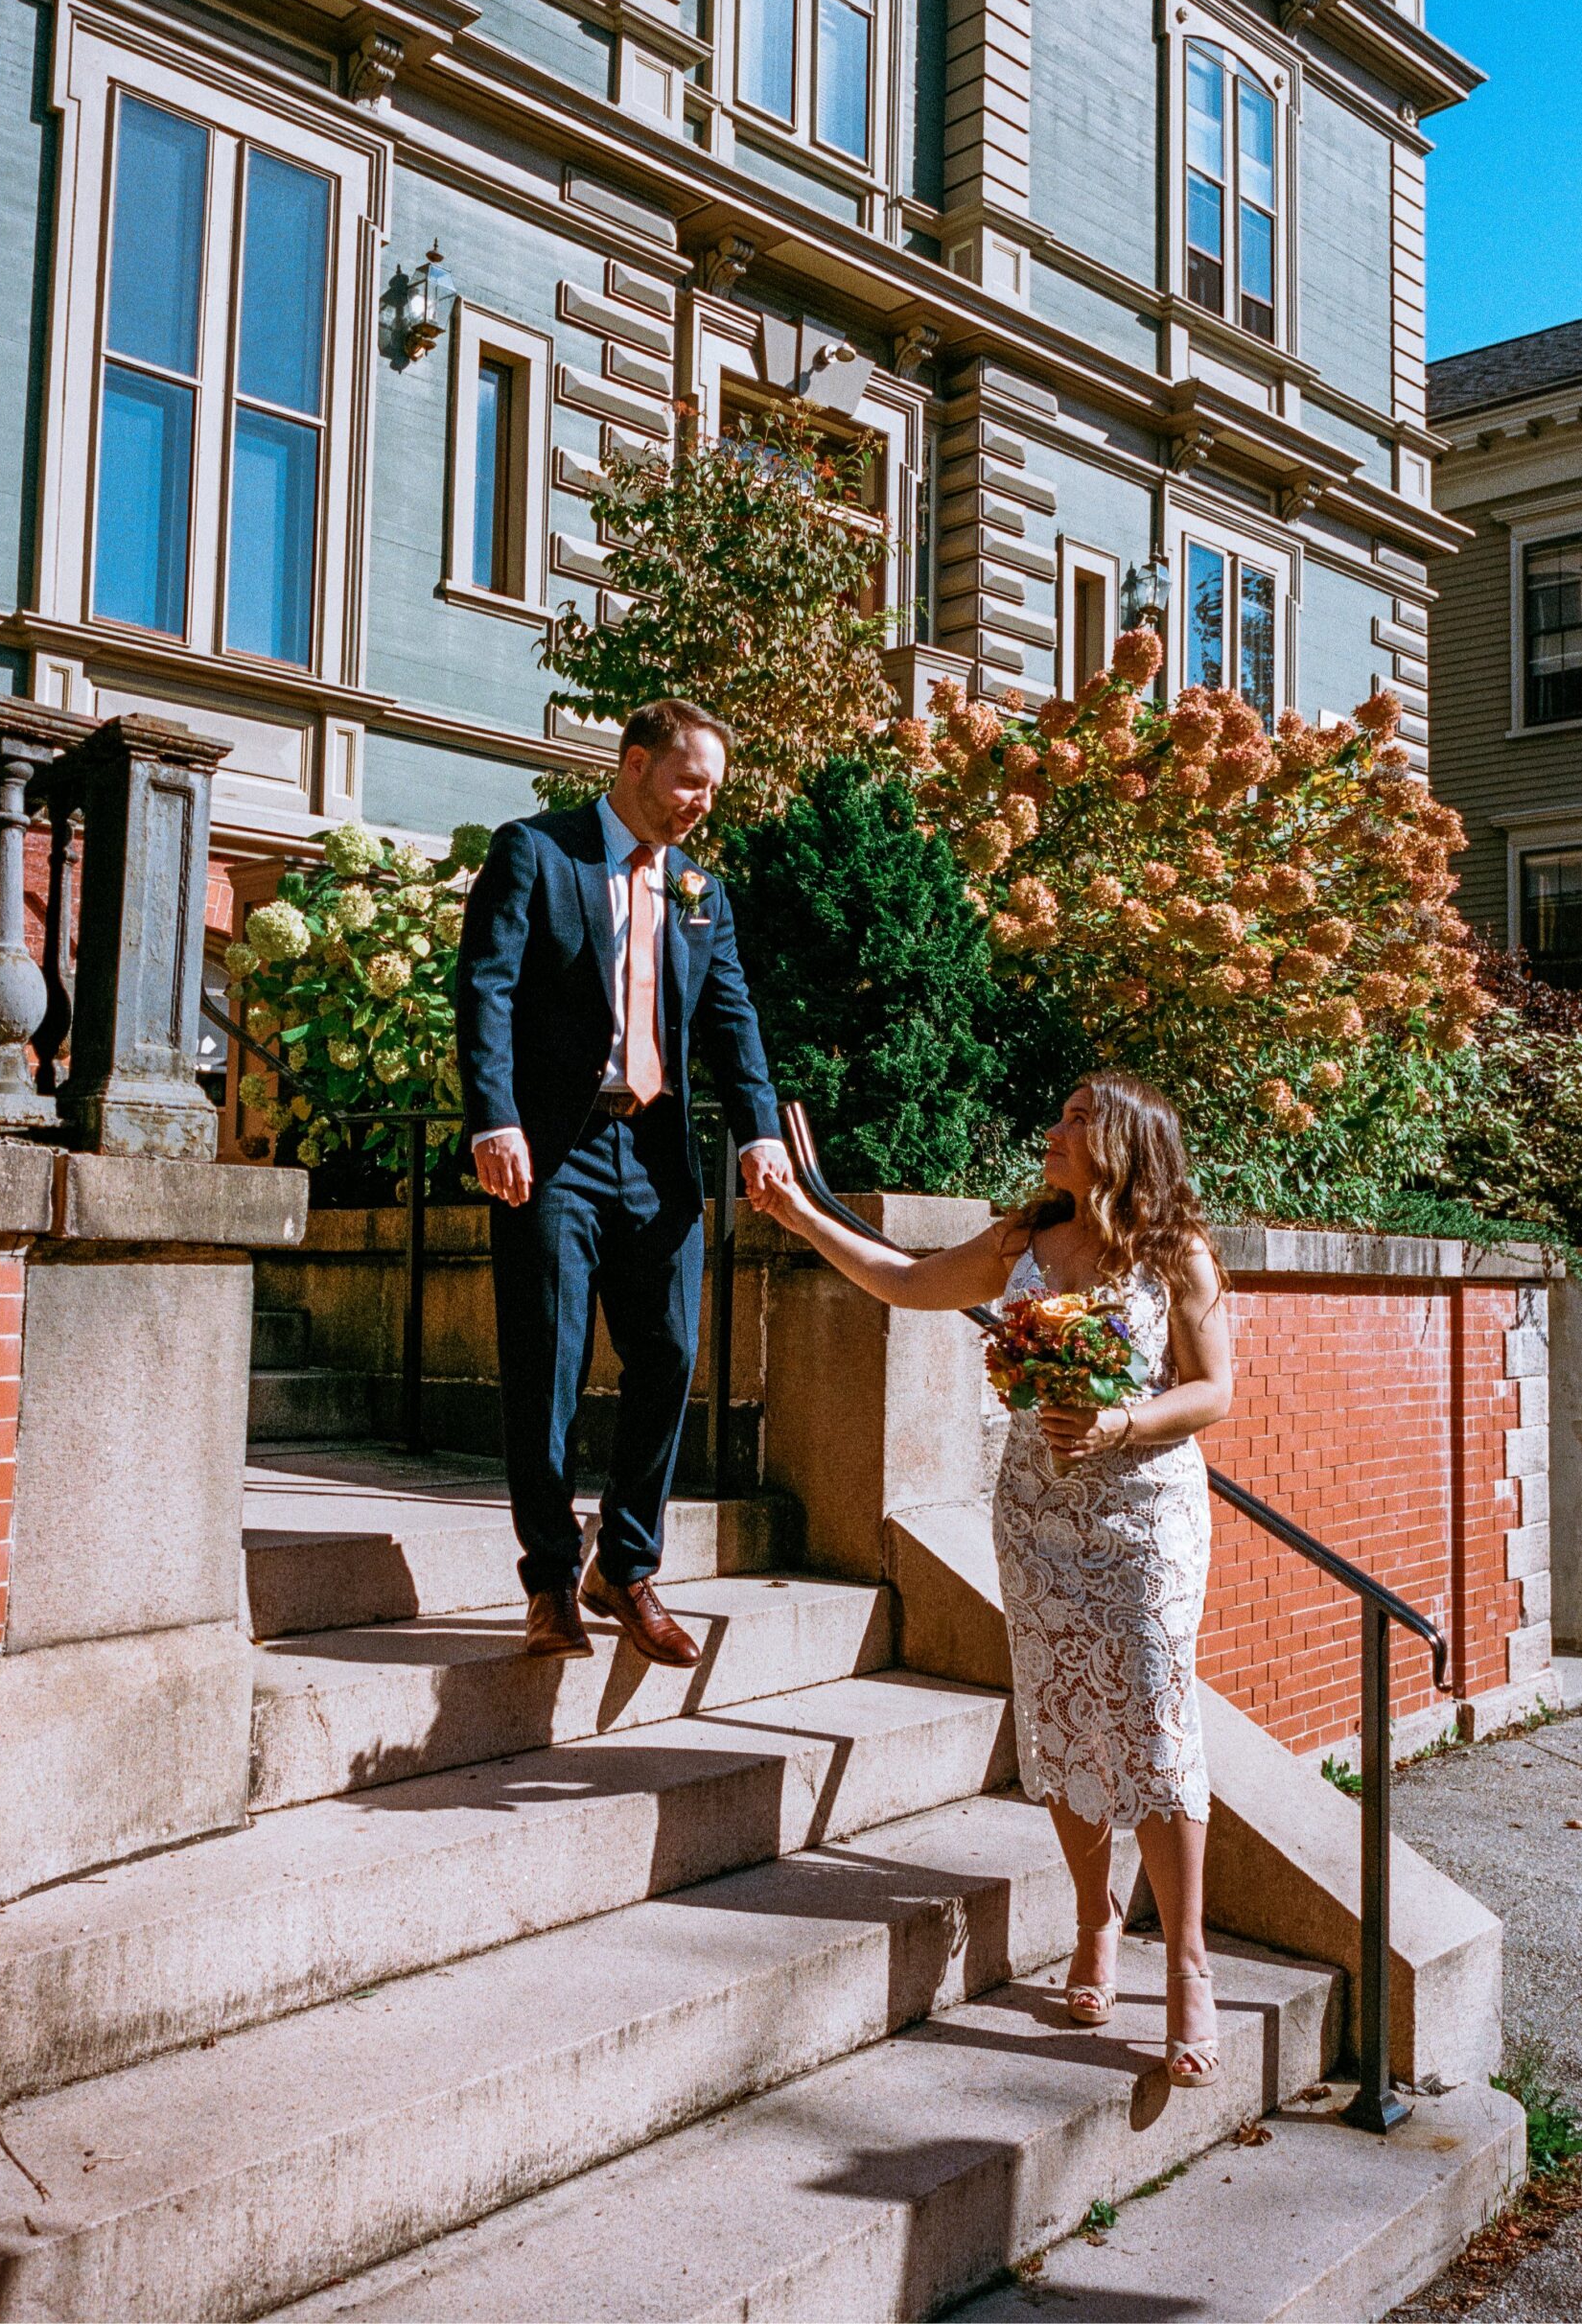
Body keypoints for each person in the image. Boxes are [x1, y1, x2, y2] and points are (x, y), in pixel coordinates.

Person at [758, 1072, 1233, 2085]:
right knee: (1059, 1716)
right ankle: (1092, 1922)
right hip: (1035, 1514)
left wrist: (1121, 1421)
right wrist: (803, 1215)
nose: (1052, 1130)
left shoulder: (1172, 1251)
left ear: (1122, 1141)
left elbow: (1211, 1389)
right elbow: (902, 1280)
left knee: (1152, 1721)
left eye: (1071, 1119)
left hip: (1145, 1515)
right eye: (1055, 1115)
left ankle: (1188, 1965)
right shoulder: (1022, 1239)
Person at [455, 697, 796, 1667]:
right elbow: (485, 986)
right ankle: (553, 1580)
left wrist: (757, 1132)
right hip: (552, 1151)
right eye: (689, 781)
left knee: (671, 1353)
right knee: (548, 1368)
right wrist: (494, 1115)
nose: (701, 803)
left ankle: (627, 1564)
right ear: (635, 763)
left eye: (713, 789)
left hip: (654, 1156)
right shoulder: (536, 851)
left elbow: (731, 1019)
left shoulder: (698, 890)